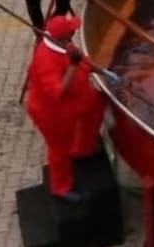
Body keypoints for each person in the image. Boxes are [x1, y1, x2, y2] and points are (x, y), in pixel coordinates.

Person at [21, 14, 107, 202]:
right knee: (59, 149)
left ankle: (82, 150)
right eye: (72, 30)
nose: (75, 31)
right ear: (64, 36)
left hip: (79, 97)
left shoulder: (65, 45)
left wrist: (103, 71)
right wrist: (74, 67)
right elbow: (58, 93)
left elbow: (83, 61)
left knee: (97, 105)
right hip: (53, 112)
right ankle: (61, 187)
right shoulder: (45, 60)